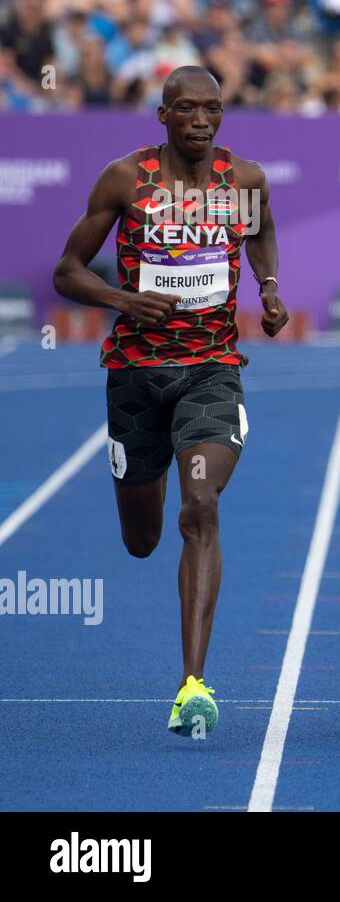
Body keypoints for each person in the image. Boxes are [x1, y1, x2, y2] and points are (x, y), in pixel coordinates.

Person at [51, 65, 290, 735]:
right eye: (185, 109)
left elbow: (263, 232)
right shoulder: (126, 179)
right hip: (134, 374)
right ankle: (142, 495)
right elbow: (66, 270)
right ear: (162, 116)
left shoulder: (243, 180)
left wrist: (269, 288)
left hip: (212, 369)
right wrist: (125, 300)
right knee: (142, 536)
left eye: (211, 109)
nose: (200, 121)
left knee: (201, 507)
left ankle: (193, 682)